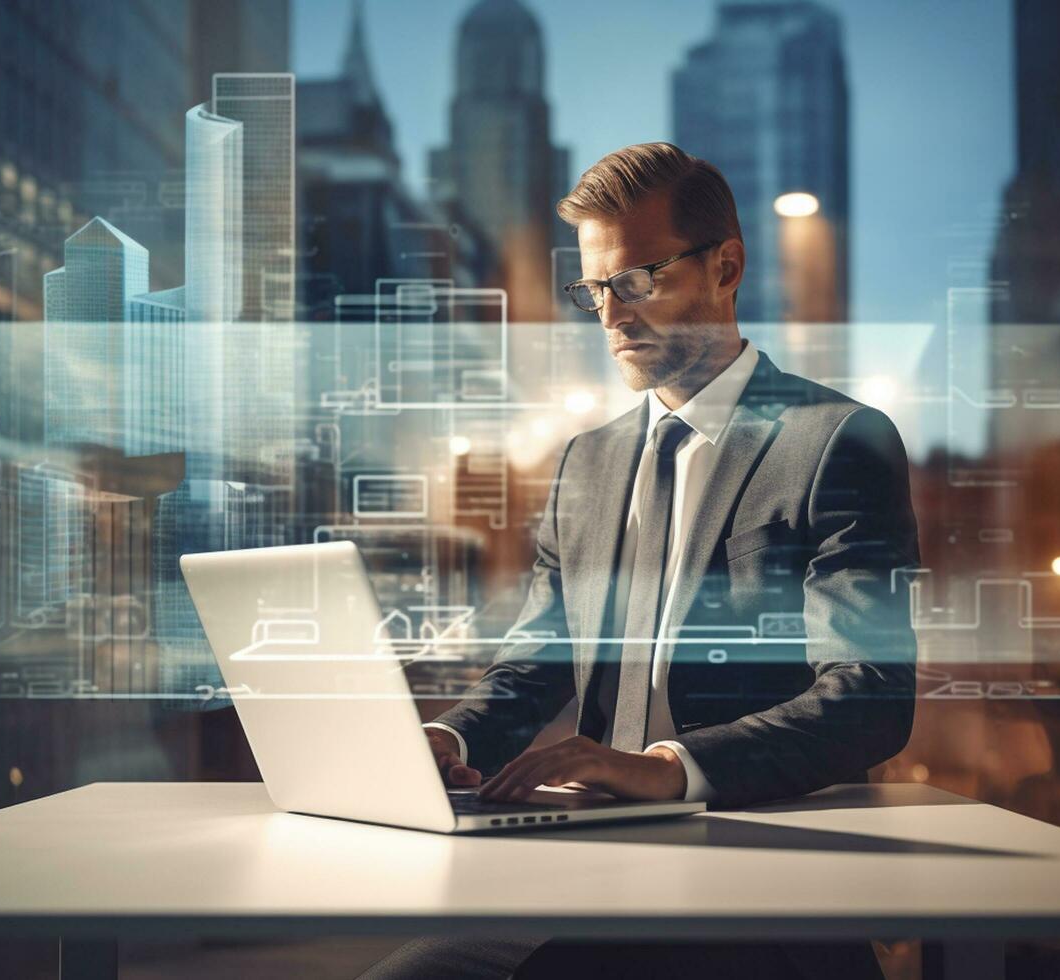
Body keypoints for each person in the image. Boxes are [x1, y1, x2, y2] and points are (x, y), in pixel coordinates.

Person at [360, 142, 919, 980]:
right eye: (594, 289)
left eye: (638, 280)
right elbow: (534, 664)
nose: (611, 316)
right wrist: (443, 737)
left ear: (725, 267)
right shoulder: (585, 460)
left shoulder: (835, 441)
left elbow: (868, 698)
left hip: (755, 877)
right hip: (591, 870)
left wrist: (662, 771)